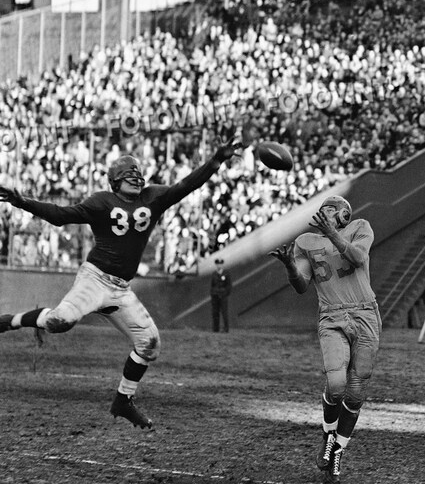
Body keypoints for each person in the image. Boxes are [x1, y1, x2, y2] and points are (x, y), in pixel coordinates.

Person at [0, 137, 244, 429]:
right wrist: (22, 201)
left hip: (121, 288)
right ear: (115, 182)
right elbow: (60, 216)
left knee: (150, 343)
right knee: (59, 322)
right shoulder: (102, 201)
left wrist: (216, 160)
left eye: (138, 174)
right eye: (129, 175)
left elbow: (187, 185)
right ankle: (11, 320)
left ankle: (123, 401)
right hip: (95, 278)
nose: (136, 179)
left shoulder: (153, 197)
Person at [270, 194, 379, 484]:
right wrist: (290, 267)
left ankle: (338, 451)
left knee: (356, 392)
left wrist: (332, 232)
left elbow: (358, 257)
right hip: (331, 316)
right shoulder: (306, 242)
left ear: (344, 214)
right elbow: (302, 286)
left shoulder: (360, 227)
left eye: (330, 209)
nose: (324, 213)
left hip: (366, 314)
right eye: (322, 210)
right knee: (336, 385)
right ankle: (328, 434)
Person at [210, 256, 233, 333]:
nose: (219, 265)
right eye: (217, 264)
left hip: (223, 296)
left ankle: (226, 328)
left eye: (220, 264)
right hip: (215, 296)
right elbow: (212, 285)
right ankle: (215, 329)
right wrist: (213, 294)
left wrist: (225, 293)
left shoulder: (226, 274)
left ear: (222, 264)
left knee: (224, 312)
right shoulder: (214, 274)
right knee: (215, 313)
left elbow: (229, 285)